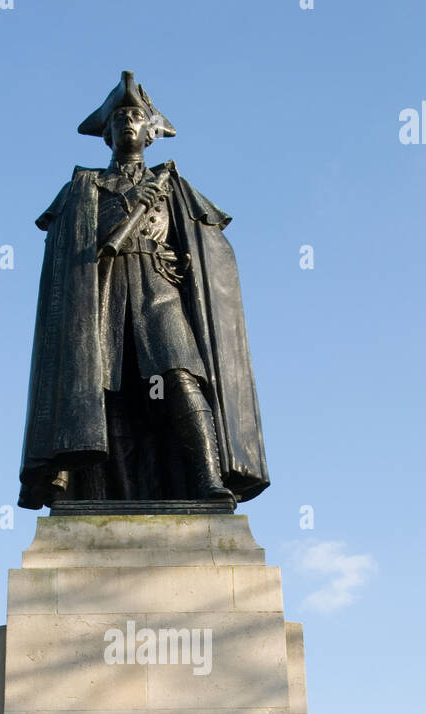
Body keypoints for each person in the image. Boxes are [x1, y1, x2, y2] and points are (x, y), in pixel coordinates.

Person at [18, 71, 270, 510]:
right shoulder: (84, 187)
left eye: (137, 115)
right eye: (119, 117)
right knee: (100, 391)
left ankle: (209, 480)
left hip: (159, 287)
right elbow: (64, 252)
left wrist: (191, 264)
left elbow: (207, 242)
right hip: (103, 291)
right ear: (107, 132)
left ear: (153, 131)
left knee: (179, 376)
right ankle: (92, 498)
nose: (128, 122)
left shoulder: (173, 187)